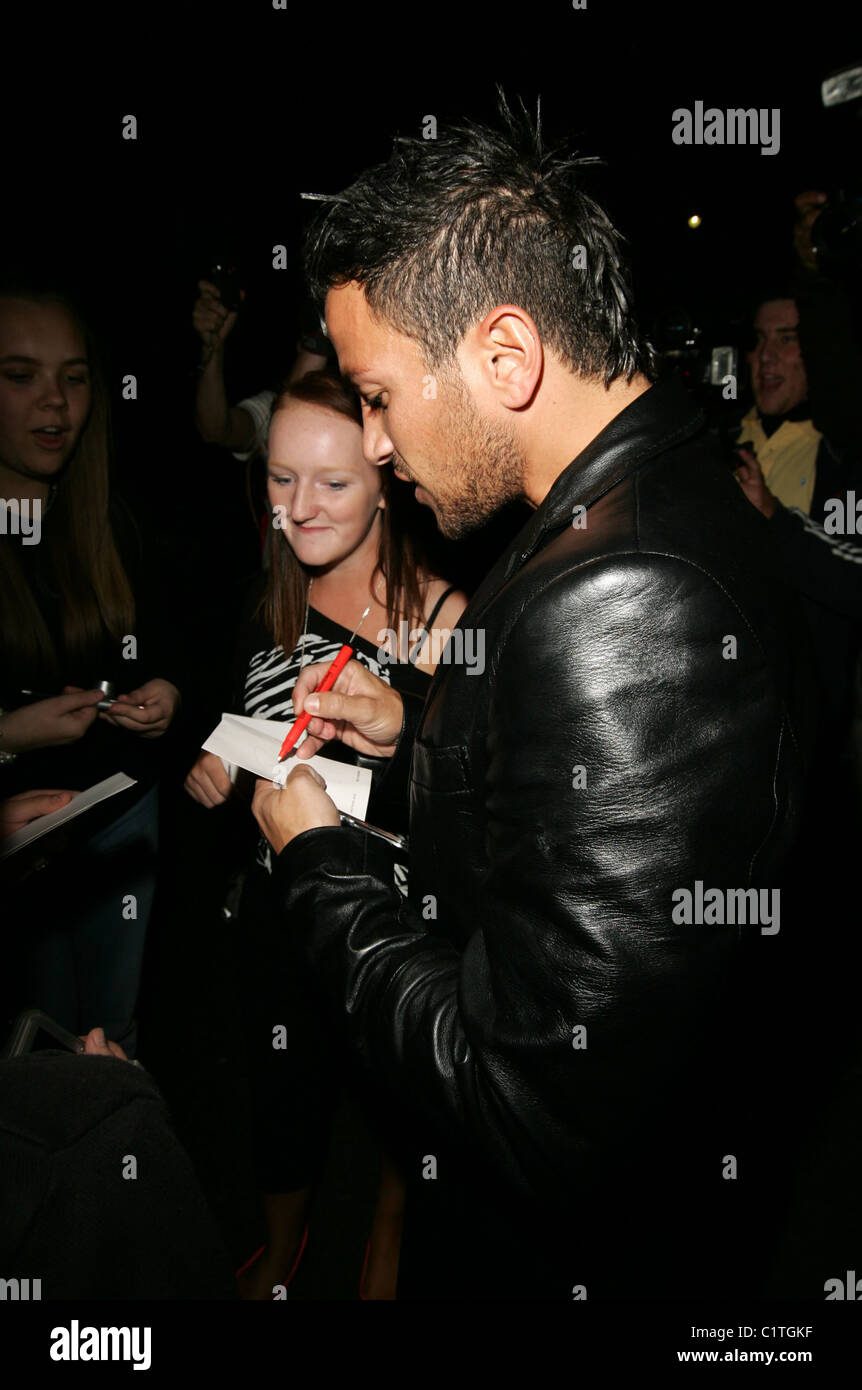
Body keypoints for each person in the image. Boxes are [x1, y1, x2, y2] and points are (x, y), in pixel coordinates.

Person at [249, 94, 820, 1300]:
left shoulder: (630, 597)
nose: (379, 443)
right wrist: (416, 749)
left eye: (380, 393)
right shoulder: (621, 490)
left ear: (503, 357)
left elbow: (528, 1097)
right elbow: (570, 833)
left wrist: (317, 864)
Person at [185, 369, 466, 1299]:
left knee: (401, 1105)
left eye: (332, 483)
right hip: (277, 907)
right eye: (278, 479)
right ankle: (280, 1251)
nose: (298, 510)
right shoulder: (269, 593)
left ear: (387, 475)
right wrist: (223, 767)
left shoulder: (442, 622)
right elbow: (254, 721)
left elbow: (474, 816)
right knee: (282, 1099)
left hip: (394, 925)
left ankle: (388, 1232)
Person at [0, 284, 182, 1057]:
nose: (55, 403)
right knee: (35, 1049)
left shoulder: (109, 515)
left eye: (73, 378)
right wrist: (9, 736)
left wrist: (169, 692)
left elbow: (168, 640)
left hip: (118, 817)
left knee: (109, 1040)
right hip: (17, 840)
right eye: (20, 375)